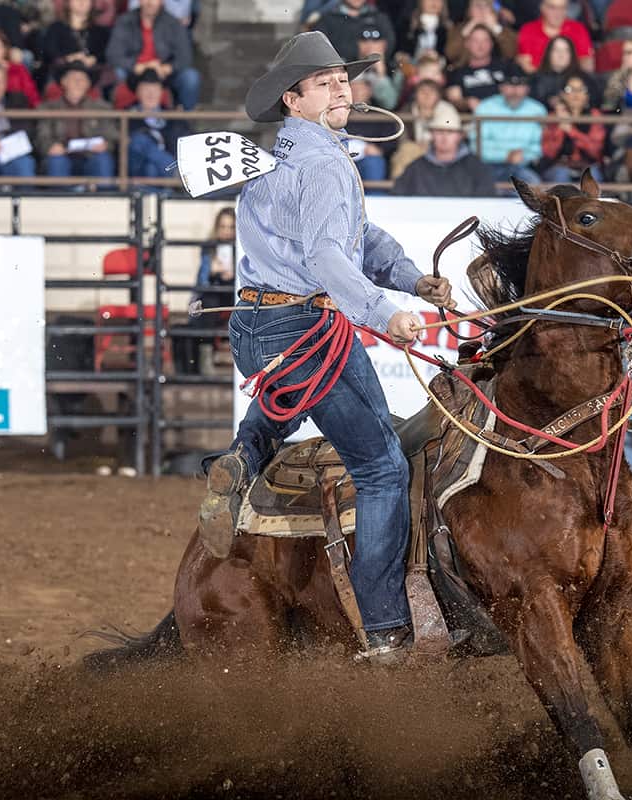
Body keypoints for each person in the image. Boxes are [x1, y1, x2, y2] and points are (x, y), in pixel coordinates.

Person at [202, 31, 457, 660]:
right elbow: (325, 255)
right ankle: (386, 629)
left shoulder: (288, 161)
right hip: (301, 329)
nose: (343, 86)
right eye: (325, 82)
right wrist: (384, 310)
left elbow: (357, 237)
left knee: (381, 445)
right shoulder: (321, 163)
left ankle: (245, 450)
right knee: (382, 467)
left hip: (279, 326)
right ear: (294, 99)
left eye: (343, 78)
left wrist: (409, 277)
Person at [106, 0, 200, 110]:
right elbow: (113, 54)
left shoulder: (173, 23)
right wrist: (135, 66)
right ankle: (121, 116)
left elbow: (185, 57)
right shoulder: (125, 21)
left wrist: (167, 68)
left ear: (162, 2)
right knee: (118, 72)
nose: (150, 2)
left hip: (163, 72)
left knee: (191, 77)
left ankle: (185, 119)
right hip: (135, 71)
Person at [175, 207, 236, 375]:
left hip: (234, 293)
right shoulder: (209, 247)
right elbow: (202, 282)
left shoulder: (241, 246)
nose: (226, 232)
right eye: (223, 227)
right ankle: (206, 356)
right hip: (214, 294)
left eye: (231, 227)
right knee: (208, 301)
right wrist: (211, 270)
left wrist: (234, 275)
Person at [36, 61, 116, 182]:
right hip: (62, 156)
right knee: (57, 162)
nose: (78, 83)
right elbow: (42, 136)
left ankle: (104, 200)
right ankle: (59, 199)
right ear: (63, 82)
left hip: (90, 156)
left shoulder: (102, 108)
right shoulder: (48, 108)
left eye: (82, 79)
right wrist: (50, 146)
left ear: (88, 84)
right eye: (73, 78)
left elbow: (111, 136)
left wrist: (105, 145)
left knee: (102, 160)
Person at [392, 102, 496, 195]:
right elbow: (398, 197)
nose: (444, 137)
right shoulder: (416, 169)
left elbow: (487, 201)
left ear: (459, 136)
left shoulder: (476, 168)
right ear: (432, 135)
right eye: (440, 131)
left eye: (450, 132)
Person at [472, 63, 546, 184]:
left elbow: (539, 146)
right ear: (501, 87)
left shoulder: (538, 110)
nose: (515, 91)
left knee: (532, 183)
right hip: (490, 165)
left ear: (527, 89)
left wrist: (524, 156)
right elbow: (476, 145)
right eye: (510, 85)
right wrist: (506, 156)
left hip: (525, 166)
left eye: (520, 85)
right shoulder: (484, 108)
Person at [539, 75, 604, 183]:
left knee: (592, 176)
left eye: (581, 90)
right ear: (562, 94)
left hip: (587, 165)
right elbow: (548, 153)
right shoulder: (553, 117)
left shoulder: (594, 116)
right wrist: (560, 126)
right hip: (559, 166)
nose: (576, 94)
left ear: (587, 95)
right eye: (570, 90)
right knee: (561, 175)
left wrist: (571, 131)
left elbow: (595, 151)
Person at [126, 67, 189, 178]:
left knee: (152, 167)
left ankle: (167, 183)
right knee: (139, 140)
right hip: (138, 170)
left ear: (161, 92)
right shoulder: (126, 116)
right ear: (137, 92)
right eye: (146, 89)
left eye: (155, 89)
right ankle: (175, 173)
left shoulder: (173, 116)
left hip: (159, 173)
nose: (151, 94)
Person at [41, 0, 113, 93]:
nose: (82, 2)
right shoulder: (56, 28)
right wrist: (68, 58)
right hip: (62, 71)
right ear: (68, 3)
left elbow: (107, 52)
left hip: (93, 72)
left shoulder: (100, 31)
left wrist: (94, 59)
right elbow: (49, 51)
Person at [444, 24, 512, 111]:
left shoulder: (506, 67)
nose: (481, 45)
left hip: (502, 115)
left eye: (485, 40)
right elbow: (454, 99)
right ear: (467, 44)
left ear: (491, 44)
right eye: (475, 41)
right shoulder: (456, 72)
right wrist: (467, 103)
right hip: (472, 119)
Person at [516, 0, 594, 74]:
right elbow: (525, 63)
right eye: (552, 8)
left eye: (562, 8)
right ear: (542, 8)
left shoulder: (578, 29)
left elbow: (586, 61)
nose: (558, 13)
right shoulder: (528, 30)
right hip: (538, 82)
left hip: (571, 82)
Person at [529, 34, 597, 109]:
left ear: (572, 54)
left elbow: (594, 101)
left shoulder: (584, 78)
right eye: (556, 50)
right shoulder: (535, 78)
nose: (561, 55)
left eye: (566, 50)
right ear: (548, 53)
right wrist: (548, 102)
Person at [314, 0, 395, 62]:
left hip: (375, 71)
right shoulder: (327, 20)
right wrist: (358, 49)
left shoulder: (378, 17)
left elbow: (390, 41)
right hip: (341, 72)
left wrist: (380, 48)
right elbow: (320, 49)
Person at [444, 0, 517, 66]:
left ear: (492, 10)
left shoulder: (502, 28)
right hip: (466, 72)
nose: (481, 9)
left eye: (486, 5)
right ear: (469, 10)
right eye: (477, 5)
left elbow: (511, 52)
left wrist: (495, 27)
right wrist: (468, 28)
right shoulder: (459, 29)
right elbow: (451, 54)